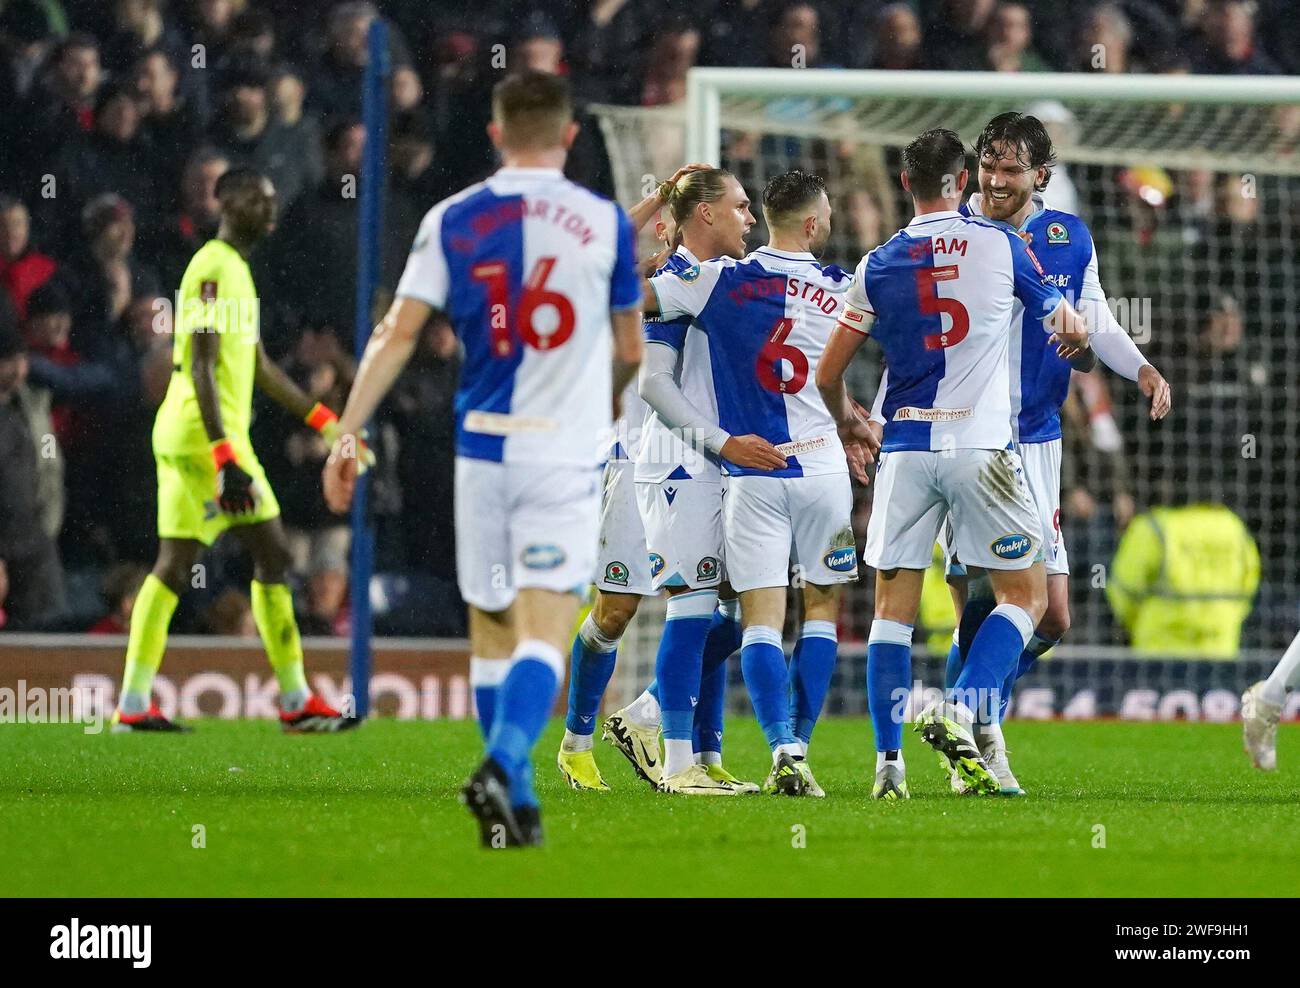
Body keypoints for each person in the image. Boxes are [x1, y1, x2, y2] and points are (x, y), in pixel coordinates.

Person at [322, 71, 643, 848]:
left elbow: (396, 331)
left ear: (497, 135)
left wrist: (346, 430)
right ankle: (503, 763)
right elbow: (631, 349)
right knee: (545, 627)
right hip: (559, 452)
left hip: (479, 454)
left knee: (491, 626)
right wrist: (602, 399)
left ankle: (515, 807)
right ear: (569, 137)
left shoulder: (452, 218)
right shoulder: (604, 222)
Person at [816, 128, 1089, 799]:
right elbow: (1065, 325)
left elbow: (826, 376)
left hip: (905, 450)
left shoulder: (877, 263)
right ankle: (962, 705)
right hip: (983, 450)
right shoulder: (1001, 245)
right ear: (963, 180)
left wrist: (852, 424)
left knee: (891, 614)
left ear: (907, 184)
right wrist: (1077, 332)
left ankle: (888, 768)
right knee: (1027, 596)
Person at [910, 111, 1172, 794]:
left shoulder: (1067, 235)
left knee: (1049, 614)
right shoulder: (955, 232)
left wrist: (1139, 368)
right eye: (989, 165)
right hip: (973, 436)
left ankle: (966, 714)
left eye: (1011, 169)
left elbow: (1096, 316)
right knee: (985, 597)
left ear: (1041, 175)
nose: (996, 180)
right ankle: (969, 727)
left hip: (1040, 438)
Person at [110, 167, 363, 733]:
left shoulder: (236, 271)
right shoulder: (212, 265)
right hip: (208, 436)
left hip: (191, 433)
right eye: (256, 197)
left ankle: (132, 700)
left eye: (273, 200)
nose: (268, 208)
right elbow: (200, 362)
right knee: (273, 556)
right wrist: (225, 456)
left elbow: (261, 369)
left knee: (174, 566)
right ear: (224, 200)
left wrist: (325, 420)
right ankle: (295, 697)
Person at [644, 169, 862, 798]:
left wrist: (654, 246)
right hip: (821, 466)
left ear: (765, 216)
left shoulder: (717, 281)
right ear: (815, 223)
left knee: (758, 621)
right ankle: (799, 747)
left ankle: (781, 747)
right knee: (820, 612)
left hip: (751, 469)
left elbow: (632, 300)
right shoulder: (844, 287)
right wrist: (859, 426)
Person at [559, 165, 758, 796]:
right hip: (636, 454)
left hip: (701, 459)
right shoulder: (651, 287)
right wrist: (657, 197)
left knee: (738, 599)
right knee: (619, 610)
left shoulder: (715, 280)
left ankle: (683, 738)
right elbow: (595, 269)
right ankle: (577, 741)